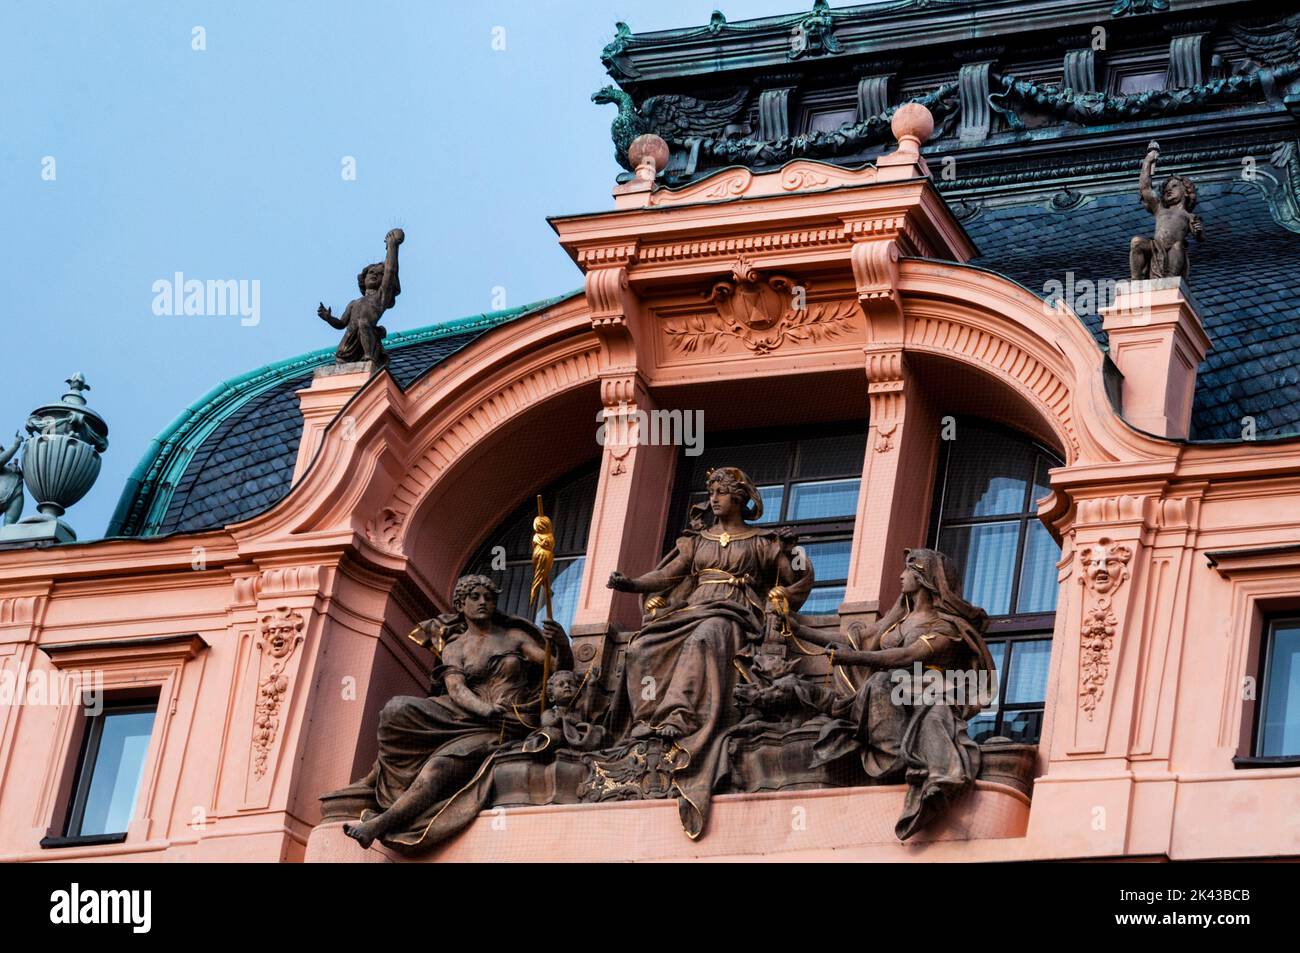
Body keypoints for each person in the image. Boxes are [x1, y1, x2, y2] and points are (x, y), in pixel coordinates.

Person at [606, 466, 810, 838]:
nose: (713, 499)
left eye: (721, 493)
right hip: (691, 608)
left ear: (740, 498)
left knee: (704, 638)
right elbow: (666, 577)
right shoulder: (697, 540)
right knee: (639, 648)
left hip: (732, 613)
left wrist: (793, 549)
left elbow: (795, 578)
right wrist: (631, 583)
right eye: (712, 492)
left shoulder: (762, 542)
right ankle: (647, 719)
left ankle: (680, 717)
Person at [336, 573, 569, 853]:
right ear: (461, 605)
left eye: (489, 597)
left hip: (505, 724)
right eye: (475, 597)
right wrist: (483, 709)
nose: (483, 602)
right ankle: (380, 778)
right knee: (395, 708)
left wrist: (563, 644)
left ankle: (378, 824)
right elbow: (456, 689)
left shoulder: (514, 638)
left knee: (438, 768)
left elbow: (555, 669)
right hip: (471, 715)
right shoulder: (454, 648)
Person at [802, 549, 995, 840]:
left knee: (882, 683)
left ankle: (901, 759)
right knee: (880, 683)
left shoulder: (944, 626)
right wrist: (797, 628)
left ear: (923, 577)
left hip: (928, 688)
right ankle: (894, 754)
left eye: (908, 570)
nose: (901, 576)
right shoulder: (898, 621)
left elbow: (906, 656)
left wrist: (853, 659)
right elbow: (852, 642)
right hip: (895, 690)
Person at [317, 228, 403, 368]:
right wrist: (328, 317)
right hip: (348, 343)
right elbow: (341, 324)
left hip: (367, 335)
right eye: (370, 272)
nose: (374, 274)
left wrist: (392, 246)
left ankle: (368, 356)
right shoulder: (354, 303)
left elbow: (390, 270)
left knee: (363, 323)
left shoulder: (381, 296)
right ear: (363, 279)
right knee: (340, 362)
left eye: (379, 273)